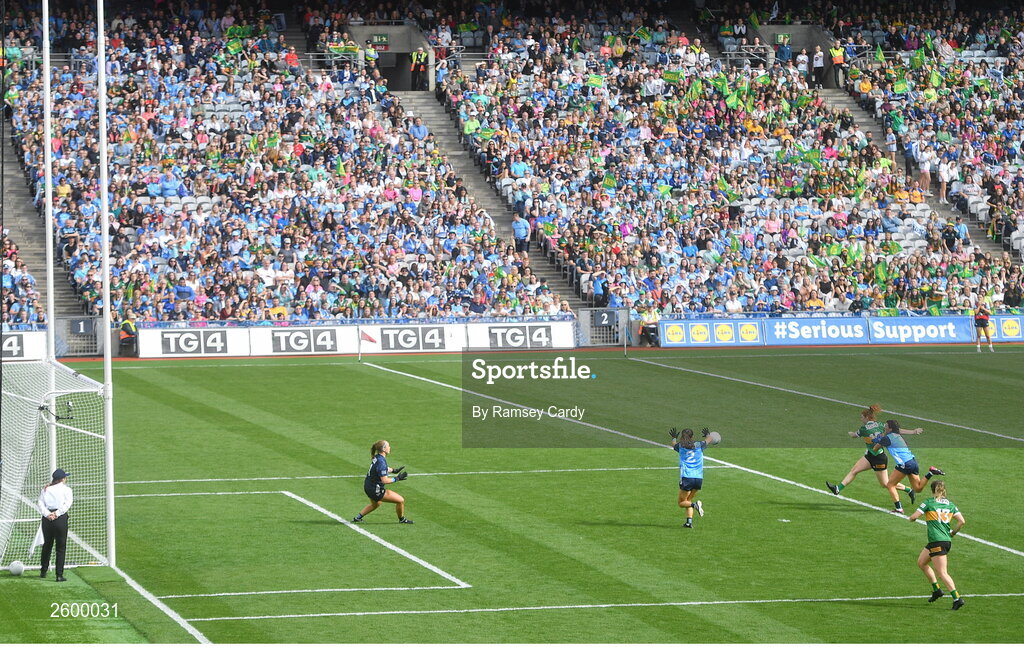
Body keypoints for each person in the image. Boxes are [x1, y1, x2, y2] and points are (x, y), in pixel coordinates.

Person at [826, 404, 915, 504]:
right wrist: (913, 431)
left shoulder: (864, 429)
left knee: (885, 484)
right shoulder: (880, 425)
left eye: (862, 417)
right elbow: (896, 430)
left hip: (879, 458)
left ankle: (909, 490)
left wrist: (849, 433)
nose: (861, 419)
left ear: (867, 417)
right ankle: (837, 488)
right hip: (870, 455)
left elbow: (854, 435)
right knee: (854, 470)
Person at [908, 480, 966, 610]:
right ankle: (937, 590)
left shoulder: (929, 503)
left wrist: (911, 518)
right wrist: (953, 533)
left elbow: (914, 516)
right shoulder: (951, 505)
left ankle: (957, 599)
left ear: (932, 490)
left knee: (942, 573)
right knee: (922, 562)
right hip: (944, 540)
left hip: (937, 541)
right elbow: (961, 521)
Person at [871, 420, 944, 514]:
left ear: (890, 428)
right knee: (917, 488)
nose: (884, 427)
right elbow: (899, 432)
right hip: (913, 462)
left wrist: (877, 440)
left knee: (890, 485)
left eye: (886, 426)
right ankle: (931, 473)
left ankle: (899, 508)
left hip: (904, 464)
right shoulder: (897, 435)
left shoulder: (886, 438)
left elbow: (875, 449)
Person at [353, 440, 412, 524]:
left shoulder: (378, 457)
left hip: (368, 486)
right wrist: (397, 478)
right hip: (375, 490)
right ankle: (402, 519)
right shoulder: (381, 461)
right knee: (400, 500)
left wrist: (393, 470)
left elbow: (381, 468)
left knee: (376, 504)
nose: (390, 447)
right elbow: (385, 480)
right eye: (388, 446)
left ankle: (357, 518)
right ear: (384, 449)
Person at [670, 426, 713, 528]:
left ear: (682, 437)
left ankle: (695, 505)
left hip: (687, 477)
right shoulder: (699, 445)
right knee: (688, 501)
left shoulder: (680, 446)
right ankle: (689, 522)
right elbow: (709, 439)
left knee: (681, 503)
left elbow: (673, 444)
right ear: (692, 436)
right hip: (698, 478)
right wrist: (707, 434)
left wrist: (673, 437)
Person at [37, 468, 73, 581]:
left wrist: (48, 514)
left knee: (47, 545)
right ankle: (59, 575)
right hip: (60, 519)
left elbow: (40, 503)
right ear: (62, 479)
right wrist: (56, 514)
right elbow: (67, 504)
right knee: (60, 547)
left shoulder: (46, 489)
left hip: (47, 519)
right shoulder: (67, 490)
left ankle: (43, 571)